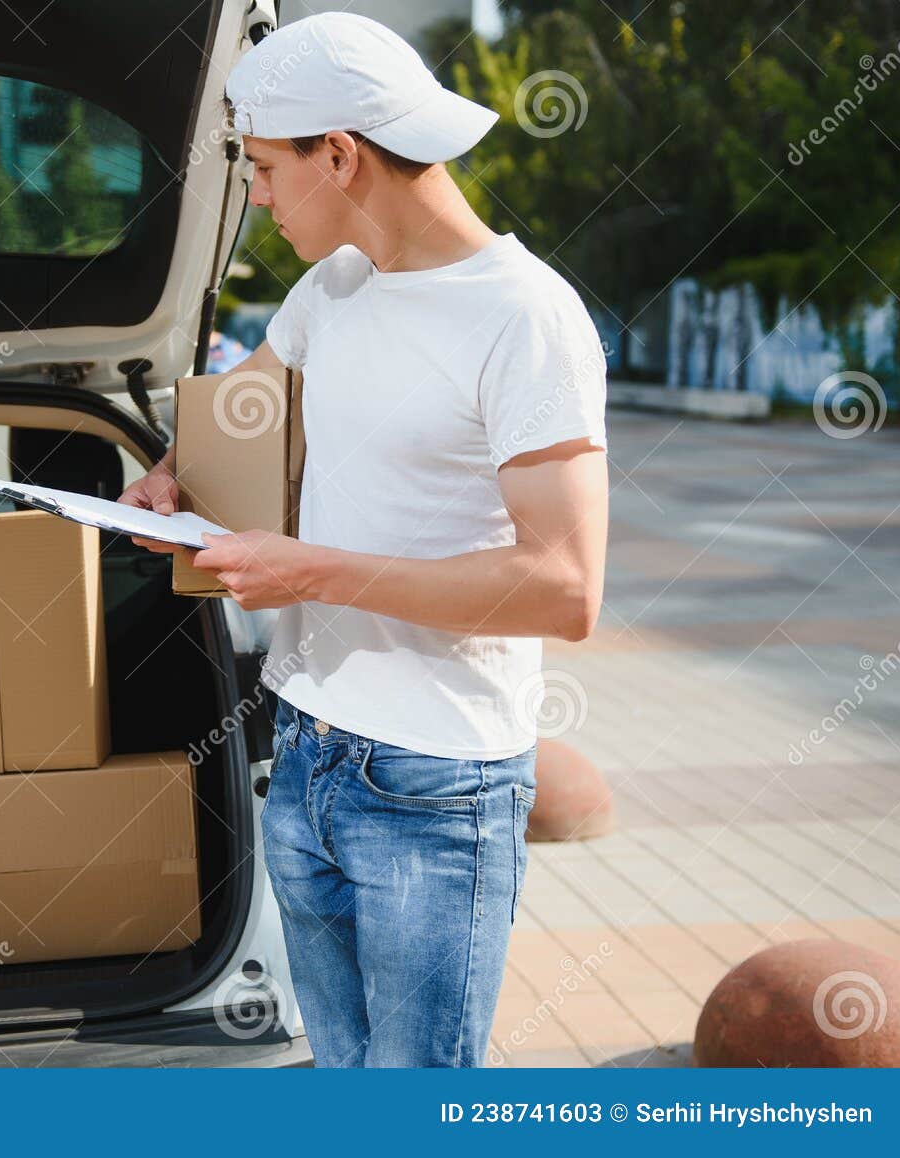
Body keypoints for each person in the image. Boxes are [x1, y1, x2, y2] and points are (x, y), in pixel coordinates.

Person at [119, 12, 609, 1068]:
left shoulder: (524, 318)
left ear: (338, 155)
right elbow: (233, 422)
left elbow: (563, 589)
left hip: (436, 784)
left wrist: (313, 571)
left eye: (260, 167)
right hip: (306, 747)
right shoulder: (327, 291)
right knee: (342, 1079)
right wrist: (171, 476)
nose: (252, 195)